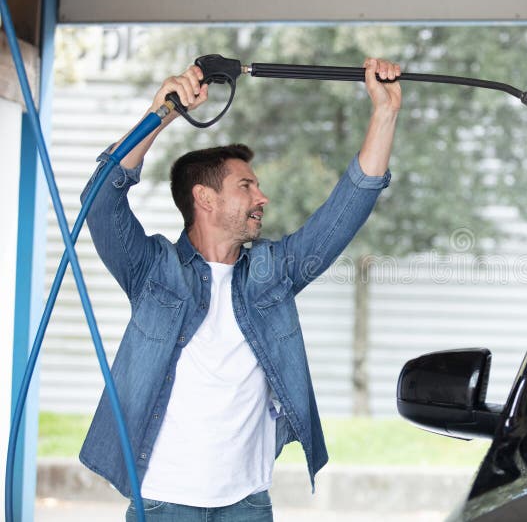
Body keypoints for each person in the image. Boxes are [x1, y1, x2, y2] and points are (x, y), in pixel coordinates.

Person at [78, 57, 401, 521]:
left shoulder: (274, 273)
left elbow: (345, 210)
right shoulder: (152, 270)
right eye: (246, 186)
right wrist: (160, 113)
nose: (261, 197)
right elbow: (101, 201)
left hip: (247, 504)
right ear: (205, 199)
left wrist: (385, 113)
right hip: (163, 503)